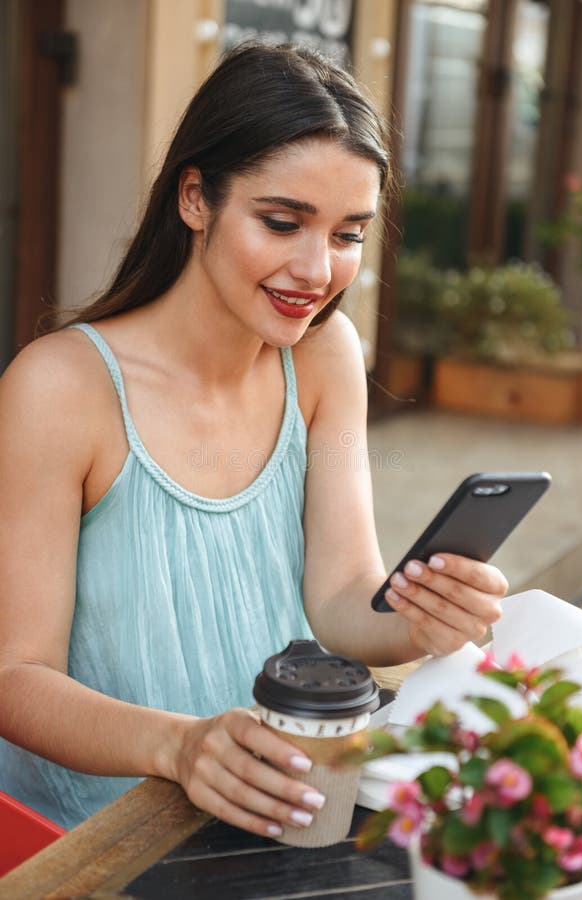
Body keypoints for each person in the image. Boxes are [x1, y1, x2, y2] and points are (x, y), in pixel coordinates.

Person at [0, 42, 507, 836]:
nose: (316, 269)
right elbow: (14, 677)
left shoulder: (324, 357)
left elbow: (341, 596)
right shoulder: (59, 389)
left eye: (348, 234)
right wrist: (180, 746)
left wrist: (420, 619)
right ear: (195, 198)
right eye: (281, 222)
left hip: (282, 811)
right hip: (104, 839)